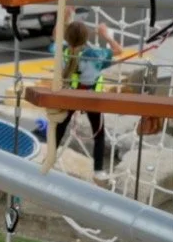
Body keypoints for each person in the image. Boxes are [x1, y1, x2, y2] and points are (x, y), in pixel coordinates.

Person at [51, 19, 125, 174]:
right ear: (86, 38)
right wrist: (106, 36)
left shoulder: (62, 51)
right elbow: (119, 50)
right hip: (91, 97)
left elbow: (54, 38)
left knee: (60, 128)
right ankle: (98, 170)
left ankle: (49, 159)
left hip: (70, 95)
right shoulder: (94, 55)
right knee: (98, 133)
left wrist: (62, 18)